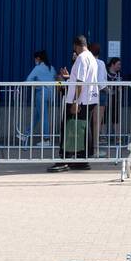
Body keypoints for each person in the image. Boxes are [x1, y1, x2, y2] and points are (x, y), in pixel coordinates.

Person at [49, 36, 99, 172]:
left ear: (75, 46)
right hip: (89, 99)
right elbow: (80, 79)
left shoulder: (81, 58)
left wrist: (76, 102)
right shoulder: (91, 58)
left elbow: (80, 81)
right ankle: (82, 159)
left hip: (79, 100)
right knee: (83, 129)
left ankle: (65, 159)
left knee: (69, 128)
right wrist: (68, 77)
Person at [25, 50, 56, 147]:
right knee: (38, 115)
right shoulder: (51, 68)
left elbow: (28, 80)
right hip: (51, 94)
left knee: (43, 116)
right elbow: (55, 79)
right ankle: (26, 133)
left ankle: (46, 139)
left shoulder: (38, 68)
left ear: (38, 58)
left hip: (41, 94)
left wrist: (37, 85)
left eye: (35, 58)